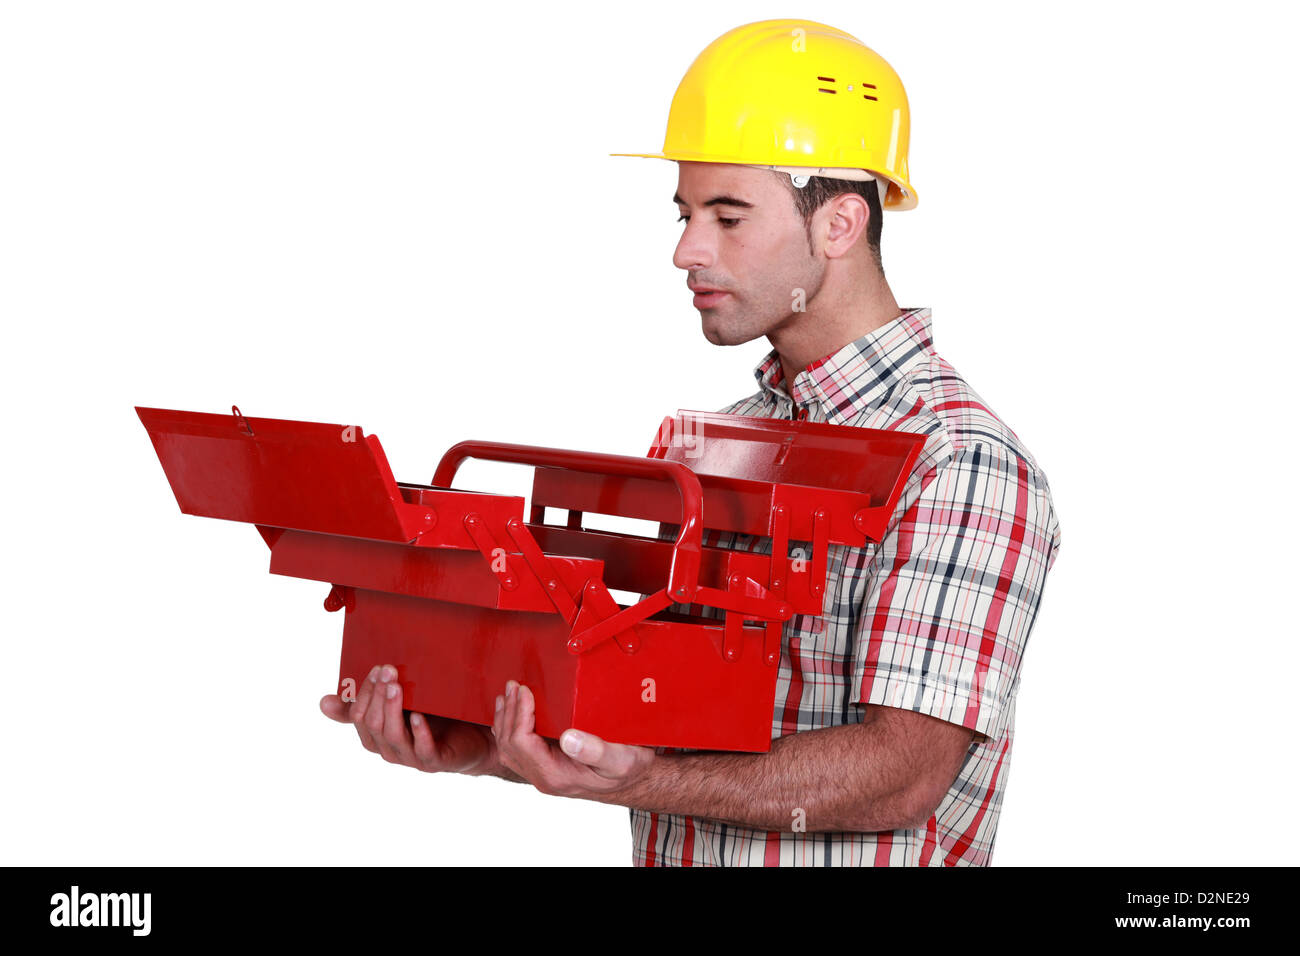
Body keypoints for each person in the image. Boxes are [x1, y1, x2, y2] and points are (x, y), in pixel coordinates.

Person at [319, 18, 1062, 866]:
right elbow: (659, 722)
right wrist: (500, 751)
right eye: (684, 212)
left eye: (728, 216)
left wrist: (638, 782)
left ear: (841, 224)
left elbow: (903, 773)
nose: (685, 250)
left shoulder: (957, 460)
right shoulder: (718, 447)